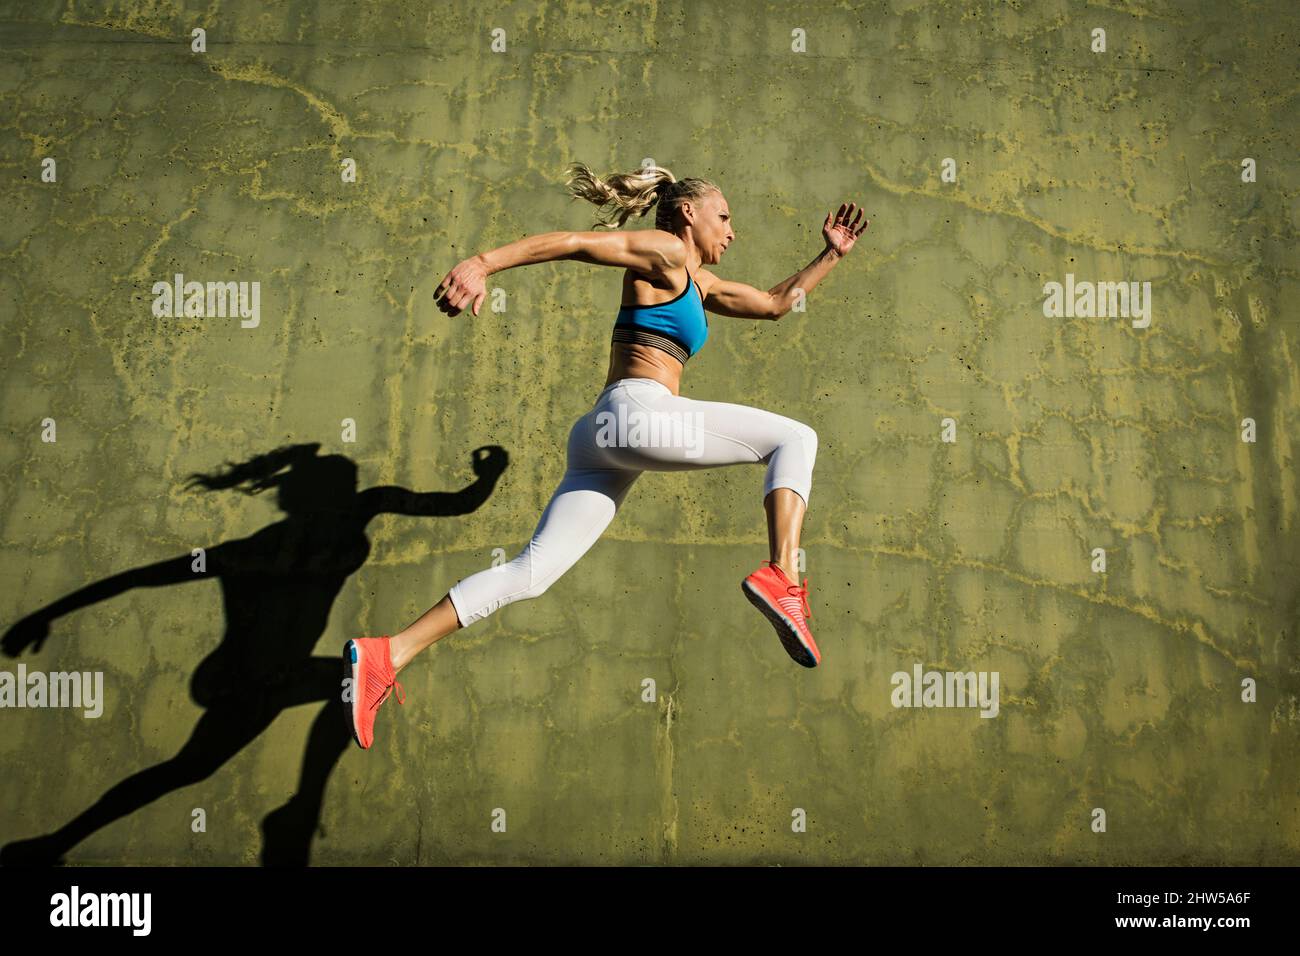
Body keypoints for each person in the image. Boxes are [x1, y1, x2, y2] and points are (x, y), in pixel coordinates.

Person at [344, 162, 867, 749]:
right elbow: (576, 244)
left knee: (532, 573)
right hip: (636, 416)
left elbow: (774, 304)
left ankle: (388, 653)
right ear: (689, 214)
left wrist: (832, 256)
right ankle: (783, 578)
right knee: (796, 439)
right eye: (725, 217)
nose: (732, 231)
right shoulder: (665, 250)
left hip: (604, 437)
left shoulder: (699, 283)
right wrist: (482, 264)